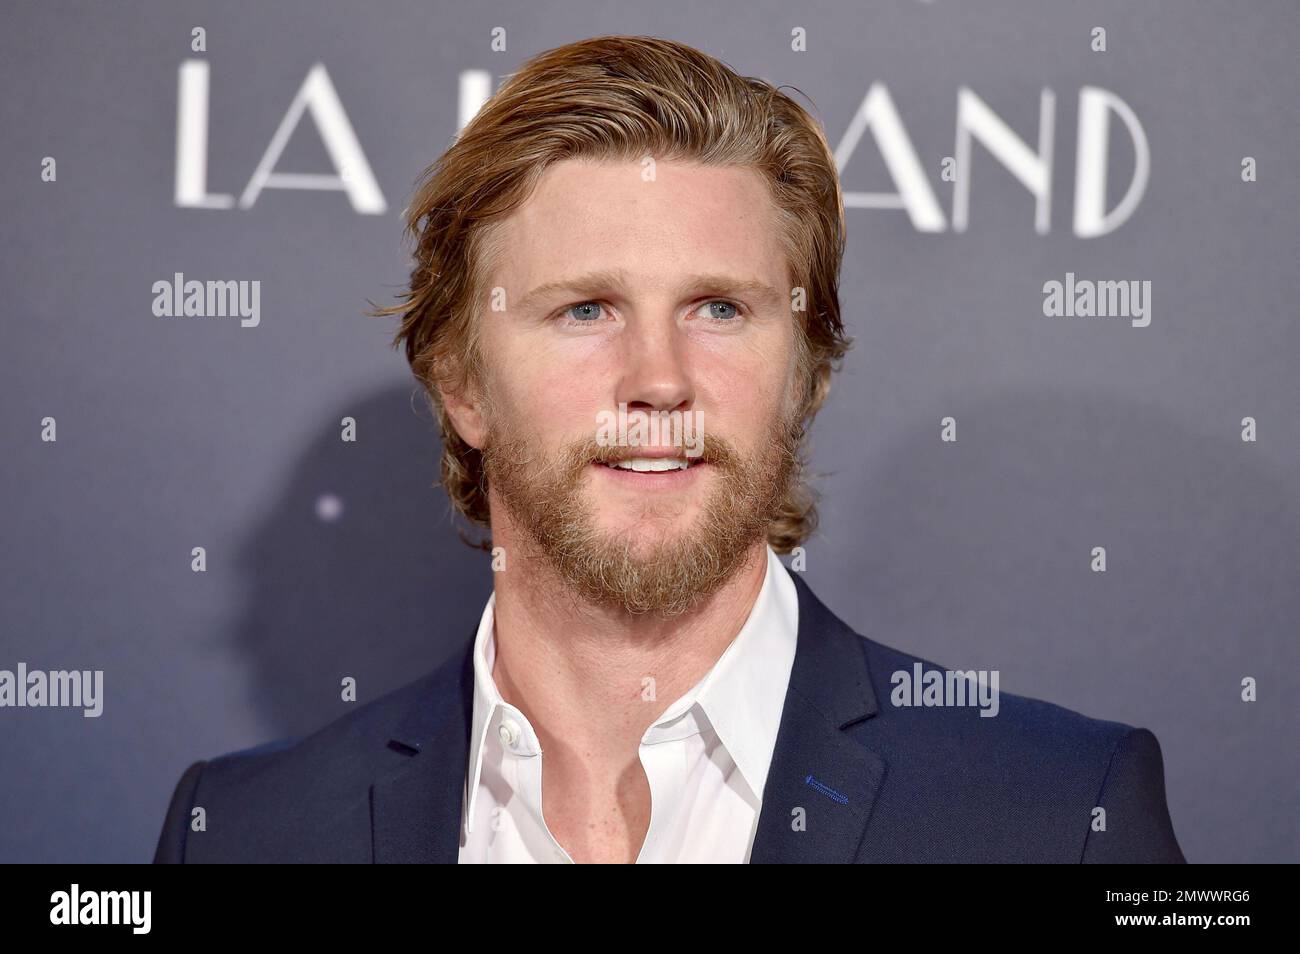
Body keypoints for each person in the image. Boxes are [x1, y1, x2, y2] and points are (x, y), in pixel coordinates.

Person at [154, 34, 1184, 863]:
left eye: (720, 309)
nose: (659, 377)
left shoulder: (1058, 815)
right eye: (586, 309)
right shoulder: (248, 830)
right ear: (462, 383)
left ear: (806, 372)